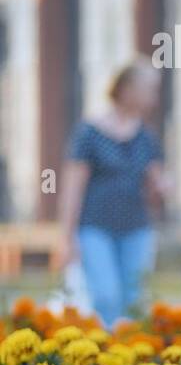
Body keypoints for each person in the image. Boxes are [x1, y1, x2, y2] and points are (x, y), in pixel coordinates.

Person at [58, 59, 167, 326]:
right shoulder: (89, 133)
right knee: (106, 296)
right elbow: (73, 187)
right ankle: (105, 355)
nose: (154, 98)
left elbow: (156, 192)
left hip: (137, 229)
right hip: (95, 228)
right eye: (149, 90)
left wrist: (162, 188)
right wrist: (66, 237)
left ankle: (128, 360)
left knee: (133, 301)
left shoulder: (147, 138)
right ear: (127, 89)